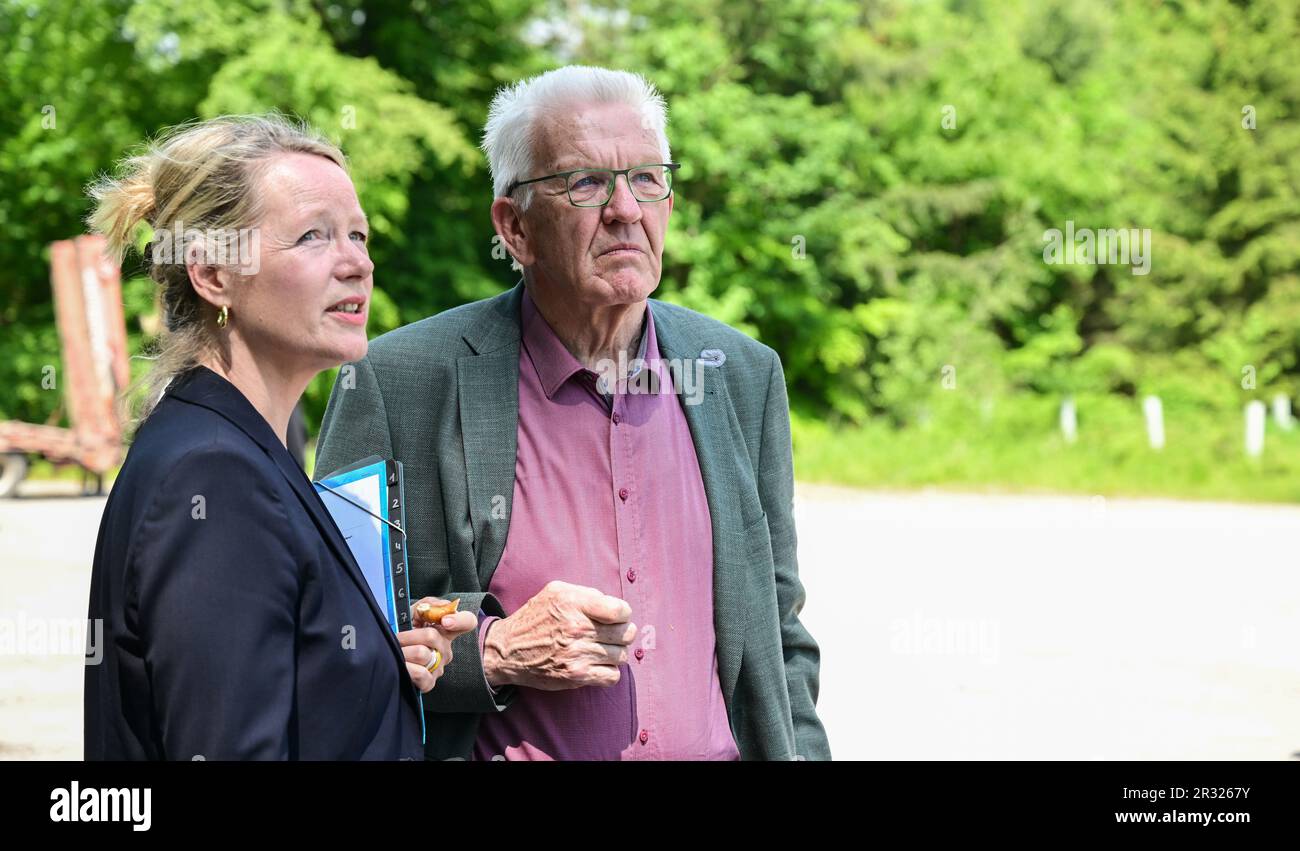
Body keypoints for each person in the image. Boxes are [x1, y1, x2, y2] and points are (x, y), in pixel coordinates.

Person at [317, 67, 830, 760]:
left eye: (647, 178)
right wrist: (494, 651)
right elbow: (335, 635)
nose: (625, 208)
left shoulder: (739, 373)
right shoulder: (398, 380)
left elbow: (780, 632)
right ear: (514, 226)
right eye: (585, 183)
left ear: (670, 204)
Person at [83, 114, 475, 760]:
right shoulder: (214, 475)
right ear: (213, 275)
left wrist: (367, 665)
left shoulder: (238, 443)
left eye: (358, 234)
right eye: (313, 236)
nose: (357, 263)